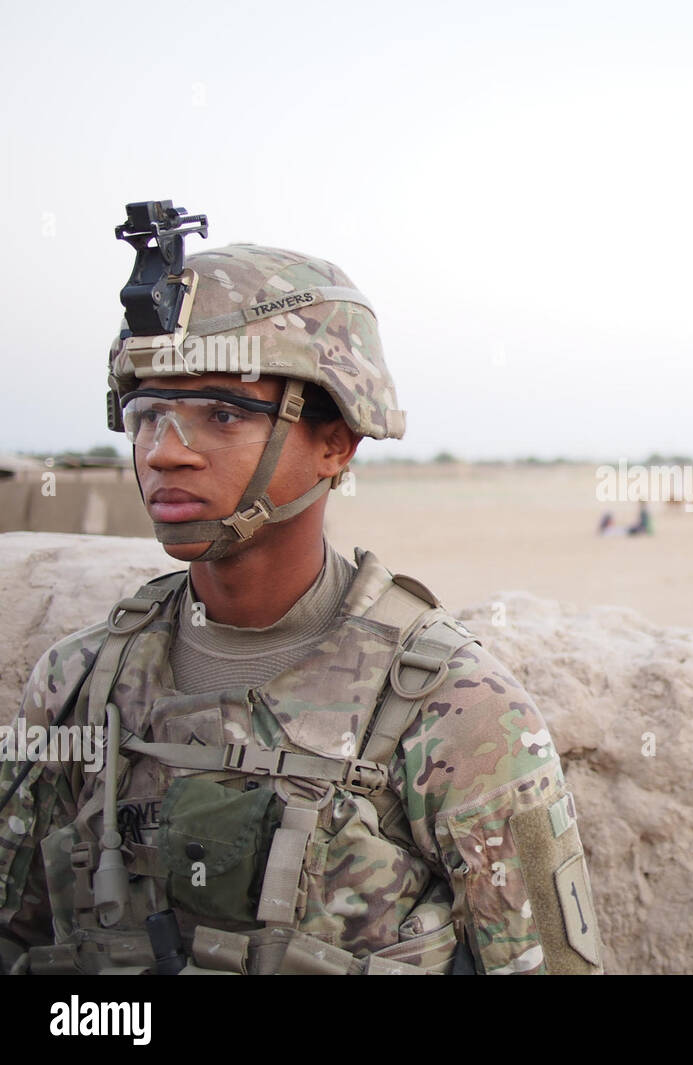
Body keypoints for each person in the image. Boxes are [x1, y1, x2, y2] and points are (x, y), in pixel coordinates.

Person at [0, 205, 603, 975]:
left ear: (335, 443)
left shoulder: (460, 714)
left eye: (221, 414)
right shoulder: (79, 682)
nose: (164, 454)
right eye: (149, 414)